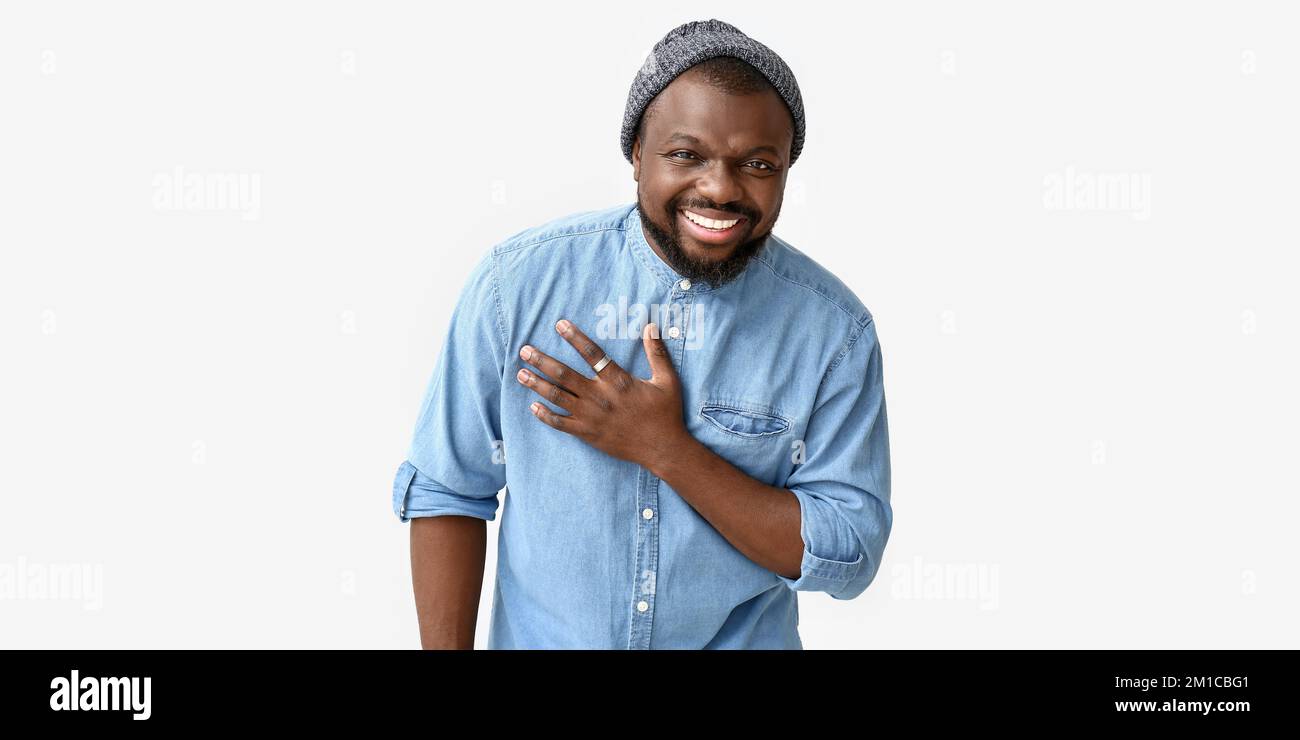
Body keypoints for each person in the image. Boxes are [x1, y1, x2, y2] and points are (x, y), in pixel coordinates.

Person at [393, 18, 892, 649]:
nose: (719, 188)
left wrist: (665, 448)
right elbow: (447, 491)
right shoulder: (515, 287)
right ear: (635, 155)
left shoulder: (833, 332)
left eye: (757, 164)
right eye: (686, 155)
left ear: (786, 171)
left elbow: (848, 552)